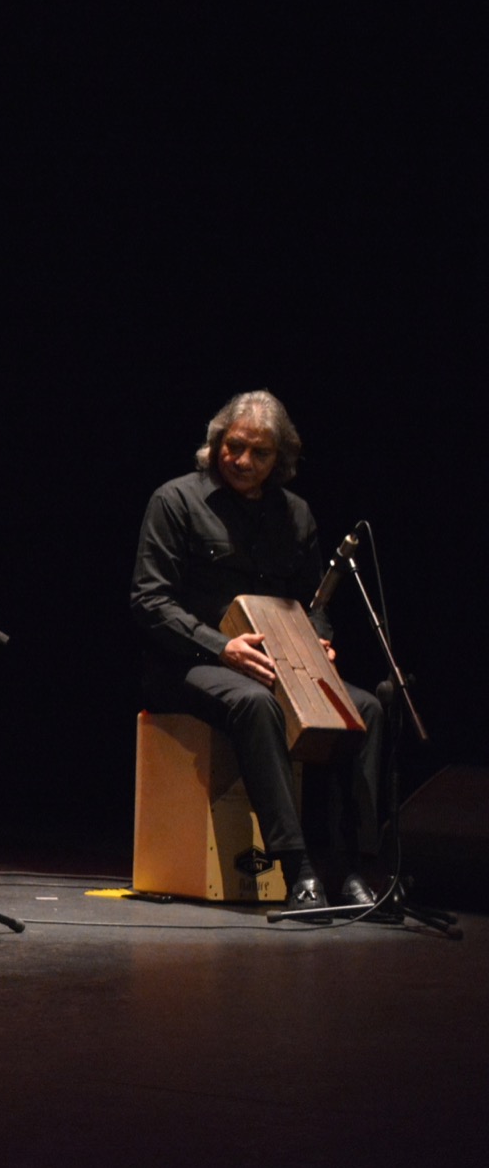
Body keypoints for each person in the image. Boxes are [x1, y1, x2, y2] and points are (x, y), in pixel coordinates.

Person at [129, 389, 385, 911]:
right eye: (233, 446)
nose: (242, 461)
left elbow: (314, 603)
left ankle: (355, 868)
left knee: (367, 708)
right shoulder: (175, 501)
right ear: (216, 442)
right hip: (187, 663)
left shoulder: (297, 515)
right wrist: (222, 647)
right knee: (255, 704)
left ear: (280, 459)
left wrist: (319, 641)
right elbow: (149, 600)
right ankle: (300, 871)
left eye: (258, 453)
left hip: (274, 665)